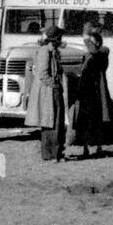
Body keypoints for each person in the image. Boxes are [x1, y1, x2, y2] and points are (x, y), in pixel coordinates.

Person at [25, 24, 66, 161]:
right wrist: (54, 85)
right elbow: (43, 73)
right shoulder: (45, 51)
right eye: (59, 37)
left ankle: (52, 153)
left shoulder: (52, 51)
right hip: (48, 90)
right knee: (52, 121)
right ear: (55, 38)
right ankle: (53, 154)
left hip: (51, 89)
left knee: (52, 121)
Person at [72, 32, 111, 159]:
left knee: (95, 121)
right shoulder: (92, 55)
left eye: (92, 42)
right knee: (86, 121)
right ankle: (87, 148)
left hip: (94, 93)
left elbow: (99, 51)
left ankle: (95, 147)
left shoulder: (99, 55)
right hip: (87, 92)